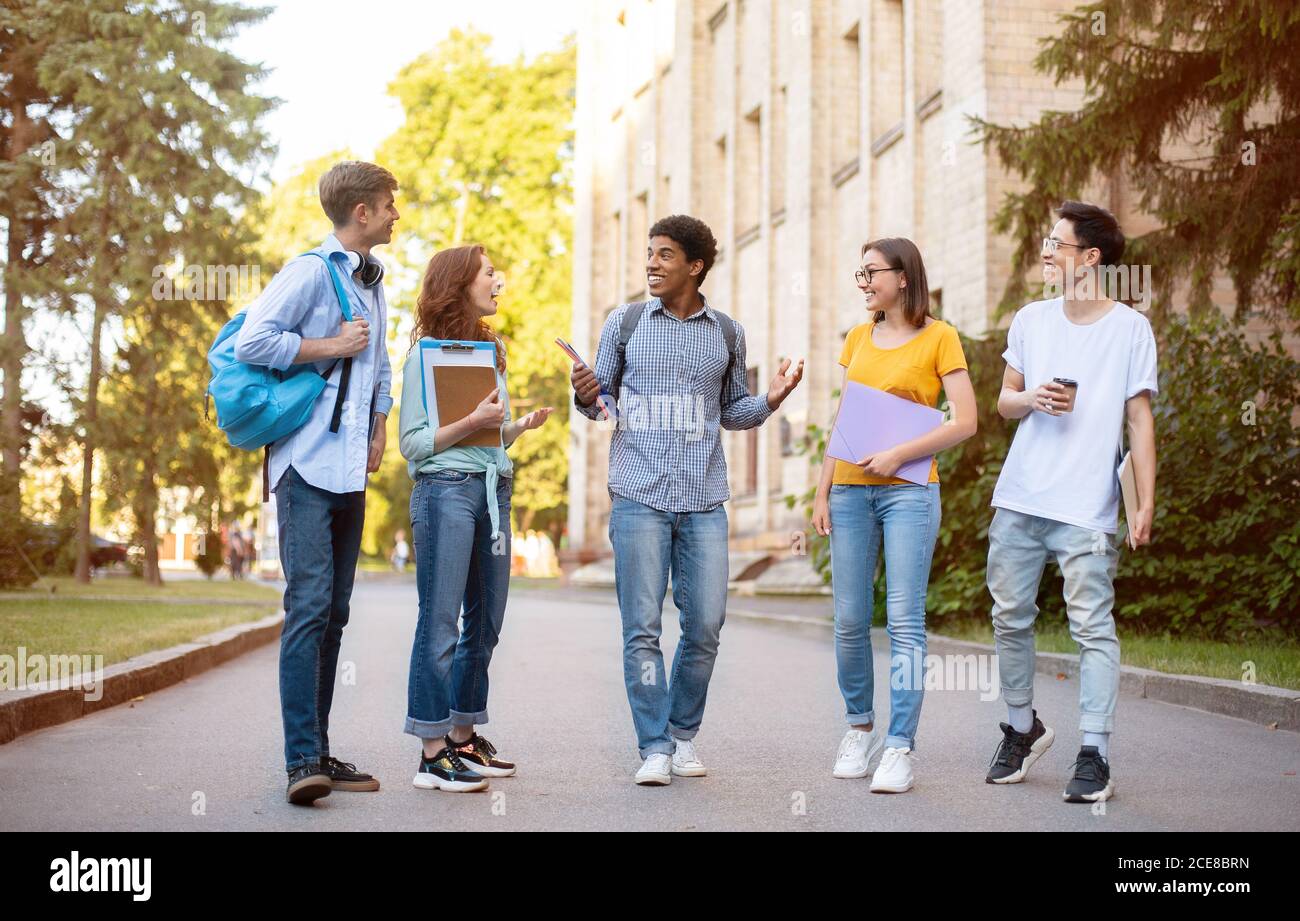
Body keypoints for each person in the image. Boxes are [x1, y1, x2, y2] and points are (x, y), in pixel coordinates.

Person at [570, 214, 803, 786]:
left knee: (705, 626)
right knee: (643, 629)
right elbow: (603, 405)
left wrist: (770, 400)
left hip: (702, 500)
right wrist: (584, 395)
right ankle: (653, 744)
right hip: (638, 495)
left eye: (665, 254)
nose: (651, 263)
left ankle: (680, 736)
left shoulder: (727, 332)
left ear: (694, 266)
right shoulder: (622, 323)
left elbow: (731, 411)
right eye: (649, 253)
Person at [983, 200, 1157, 804]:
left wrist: (1144, 504)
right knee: (1009, 617)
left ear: (1090, 256)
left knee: (1092, 627)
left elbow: (1139, 419)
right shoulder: (1031, 319)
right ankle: (1021, 728)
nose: (1046, 253)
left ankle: (1095, 753)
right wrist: (1032, 398)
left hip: (1086, 505)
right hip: (1022, 496)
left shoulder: (1130, 329)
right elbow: (1003, 403)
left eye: (1056, 244)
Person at [235, 160, 398, 805]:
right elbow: (254, 342)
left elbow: (380, 361)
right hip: (304, 465)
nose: (395, 215)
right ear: (362, 212)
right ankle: (300, 759)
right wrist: (328, 347)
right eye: (389, 205)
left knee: (334, 612)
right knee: (308, 608)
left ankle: (321, 750)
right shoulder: (307, 271)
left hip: (349, 469)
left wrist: (381, 427)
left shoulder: (373, 280)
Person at [811, 237, 977, 793]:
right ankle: (860, 729)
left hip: (909, 490)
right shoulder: (858, 336)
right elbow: (844, 414)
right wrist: (822, 488)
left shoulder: (940, 336)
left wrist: (901, 453)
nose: (862, 282)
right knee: (850, 620)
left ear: (903, 276)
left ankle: (901, 746)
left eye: (870, 273)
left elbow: (965, 421)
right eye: (858, 274)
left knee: (906, 622)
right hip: (851, 493)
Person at [399, 243, 552, 792]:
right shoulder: (424, 357)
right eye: (490, 273)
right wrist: (474, 420)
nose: (499, 281)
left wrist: (514, 427)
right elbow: (414, 445)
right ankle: (432, 753)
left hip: (493, 492)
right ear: (460, 282)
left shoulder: (489, 352)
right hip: (445, 494)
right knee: (440, 622)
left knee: (485, 623)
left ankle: (463, 738)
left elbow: (486, 433)